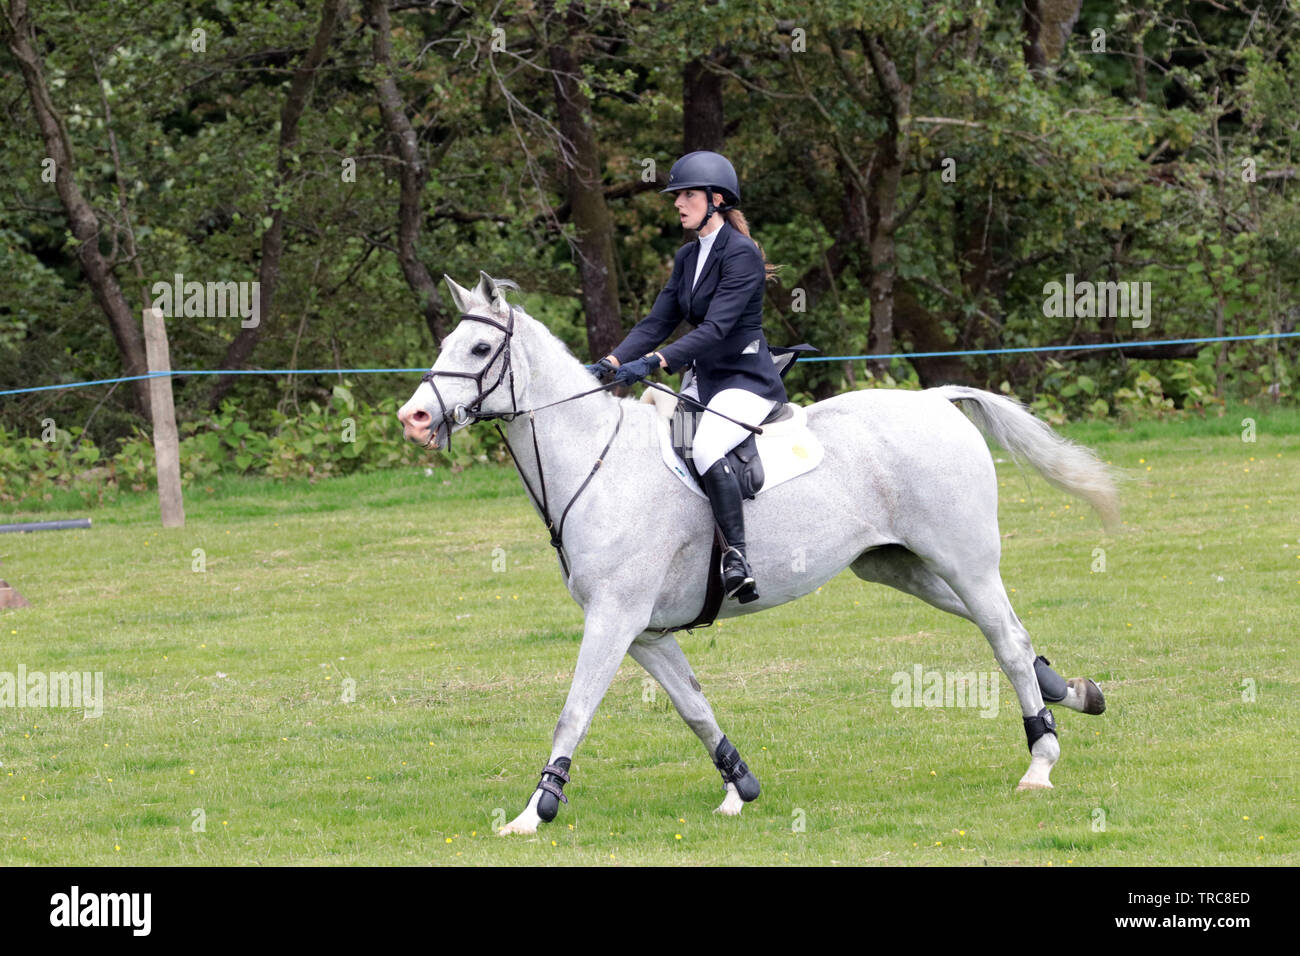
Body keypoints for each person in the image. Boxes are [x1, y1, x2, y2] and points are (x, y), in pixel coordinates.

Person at [584, 150, 787, 603]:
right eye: (677, 196)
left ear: (716, 199)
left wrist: (655, 364)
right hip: (703, 380)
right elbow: (657, 323)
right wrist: (614, 363)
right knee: (663, 450)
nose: (678, 204)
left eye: (688, 195)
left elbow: (716, 329)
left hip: (744, 380)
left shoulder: (742, 255)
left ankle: (737, 557)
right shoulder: (687, 256)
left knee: (706, 445)